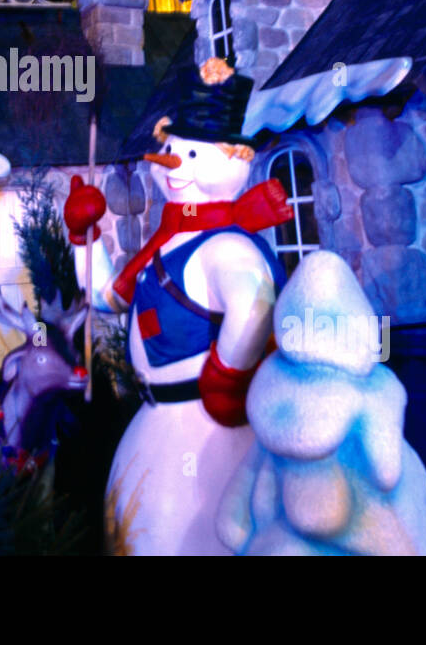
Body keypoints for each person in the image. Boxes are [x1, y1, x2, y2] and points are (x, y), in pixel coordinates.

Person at [64, 57, 293, 555]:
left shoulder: (224, 245)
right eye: (170, 150)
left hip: (206, 433)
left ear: (234, 160)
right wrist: (84, 237)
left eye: (191, 155)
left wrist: (227, 378)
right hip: (156, 424)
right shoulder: (166, 240)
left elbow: (255, 305)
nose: (172, 164)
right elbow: (107, 300)